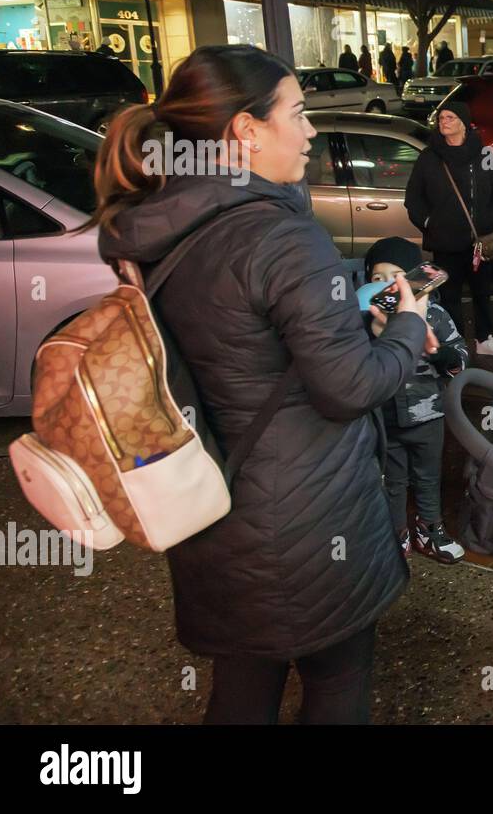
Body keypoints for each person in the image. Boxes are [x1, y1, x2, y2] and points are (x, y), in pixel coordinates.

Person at [91, 44, 427, 723]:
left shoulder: (154, 225)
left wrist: (336, 312)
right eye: (298, 115)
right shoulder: (279, 238)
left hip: (213, 505)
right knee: (338, 681)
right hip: (308, 516)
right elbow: (347, 388)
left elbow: (231, 341)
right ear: (245, 130)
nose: (309, 132)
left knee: (244, 686)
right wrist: (406, 330)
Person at [363, 236, 468, 563]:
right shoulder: (364, 319)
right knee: (392, 480)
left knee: (427, 476)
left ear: (413, 279)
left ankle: (431, 530)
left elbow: (461, 358)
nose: (386, 284)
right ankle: (396, 534)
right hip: (386, 416)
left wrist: (444, 356)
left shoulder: (434, 314)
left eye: (396, 275)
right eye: (377, 277)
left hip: (428, 415)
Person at [405, 102, 493, 357]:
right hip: (445, 242)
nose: (444, 122)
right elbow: (413, 198)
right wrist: (429, 223)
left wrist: (490, 221)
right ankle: (454, 343)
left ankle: (485, 339)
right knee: (449, 296)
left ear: (463, 122)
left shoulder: (483, 155)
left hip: (479, 242)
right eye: (441, 117)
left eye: (450, 117)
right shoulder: (430, 157)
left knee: (482, 293)